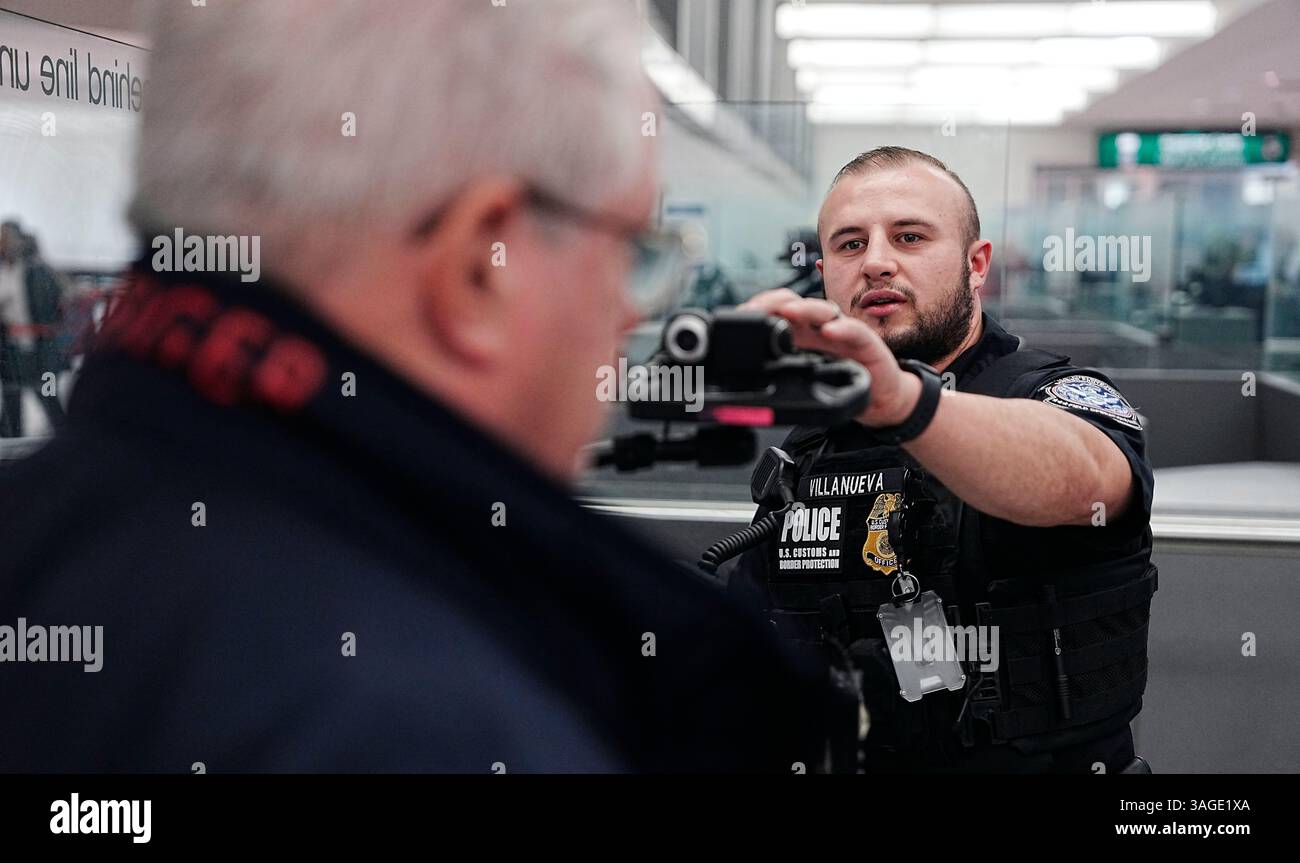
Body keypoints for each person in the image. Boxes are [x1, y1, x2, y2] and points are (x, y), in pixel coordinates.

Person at [0, 0, 833, 773]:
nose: (629, 313)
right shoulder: (461, 728)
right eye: (634, 253)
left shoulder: (46, 539)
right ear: (481, 266)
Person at [729, 147, 1157, 773]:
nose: (876, 261)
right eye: (850, 246)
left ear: (976, 264)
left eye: (909, 236)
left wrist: (905, 402)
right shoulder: (813, 444)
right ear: (824, 273)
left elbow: (1088, 476)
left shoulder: (1049, 395)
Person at [0, 221, 67, 437]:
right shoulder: (4, 270)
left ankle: (65, 439)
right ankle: (10, 445)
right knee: (11, 401)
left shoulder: (35, 269)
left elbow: (50, 306)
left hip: (40, 347)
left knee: (47, 396)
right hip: (11, 348)